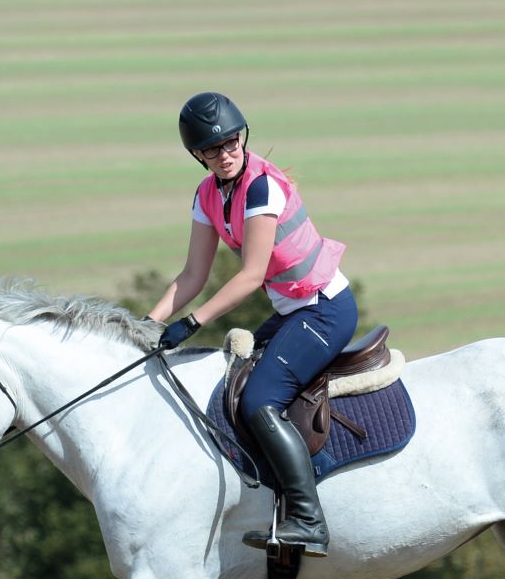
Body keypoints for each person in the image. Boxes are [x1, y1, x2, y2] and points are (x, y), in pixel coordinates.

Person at [151, 91, 358, 555]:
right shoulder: (207, 195)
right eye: (212, 149)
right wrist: (149, 323)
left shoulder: (262, 188)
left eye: (231, 142)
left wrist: (191, 323)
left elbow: (250, 276)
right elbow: (192, 275)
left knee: (260, 401)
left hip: (324, 309)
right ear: (197, 155)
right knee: (231, 380)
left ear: (242, 137)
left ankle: (309, 520)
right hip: (293, 311)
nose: (225, 154)